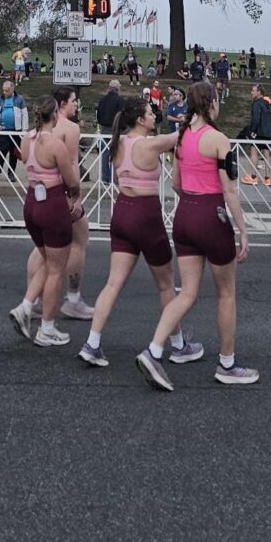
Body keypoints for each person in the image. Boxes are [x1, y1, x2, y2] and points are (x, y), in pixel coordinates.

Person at [135, 81, 257, 390]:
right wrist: (242, 230)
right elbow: (229, 189)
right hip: (211, 215)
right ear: (212, 102)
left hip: (184, 215)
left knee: (187, 293)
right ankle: (227, 364)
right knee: (226, 293)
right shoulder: (218, 139)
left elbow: (175, 182)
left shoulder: (182, 137)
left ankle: (154, 349)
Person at [79, 96, 201, 368]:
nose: (154, 117)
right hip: (145, 215)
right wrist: (196, 112)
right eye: (150, 113)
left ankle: (93, 343)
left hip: (121, 212)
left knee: (113, 283)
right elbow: (181, 135)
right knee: (166, 285)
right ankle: (178, 345)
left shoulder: (118, 143)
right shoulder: (151, 144)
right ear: (139, 119)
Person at [10, 97, 81, 347]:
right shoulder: (55, 145)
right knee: (55, 270)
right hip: (52, 203)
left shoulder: (26, 139)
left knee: (48, 261)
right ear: (54, 116)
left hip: (31, 202)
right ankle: (47, 329)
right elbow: (72, 181)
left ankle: (26, 306)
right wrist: (75, 197)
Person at [0, 77, 27, 183]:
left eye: (7, 90)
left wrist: (24, 130)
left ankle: (11, 173)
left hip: (16, 130)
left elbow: (24, 114)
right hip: (4, 130)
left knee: (13, 153)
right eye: (3, 90)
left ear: (12, 89)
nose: (4, 92)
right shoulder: (0, 99)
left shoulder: (19, 99)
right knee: (2, 151)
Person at [95, 78, 123, 185]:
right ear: (117, 88)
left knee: (104, 154)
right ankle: (113, 178)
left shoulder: (102, 100)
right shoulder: (119, 100)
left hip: (104, 129)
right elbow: (121, 115)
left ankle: (105, 177)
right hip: (115, 129)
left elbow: (98, 114)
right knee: (115, 153)